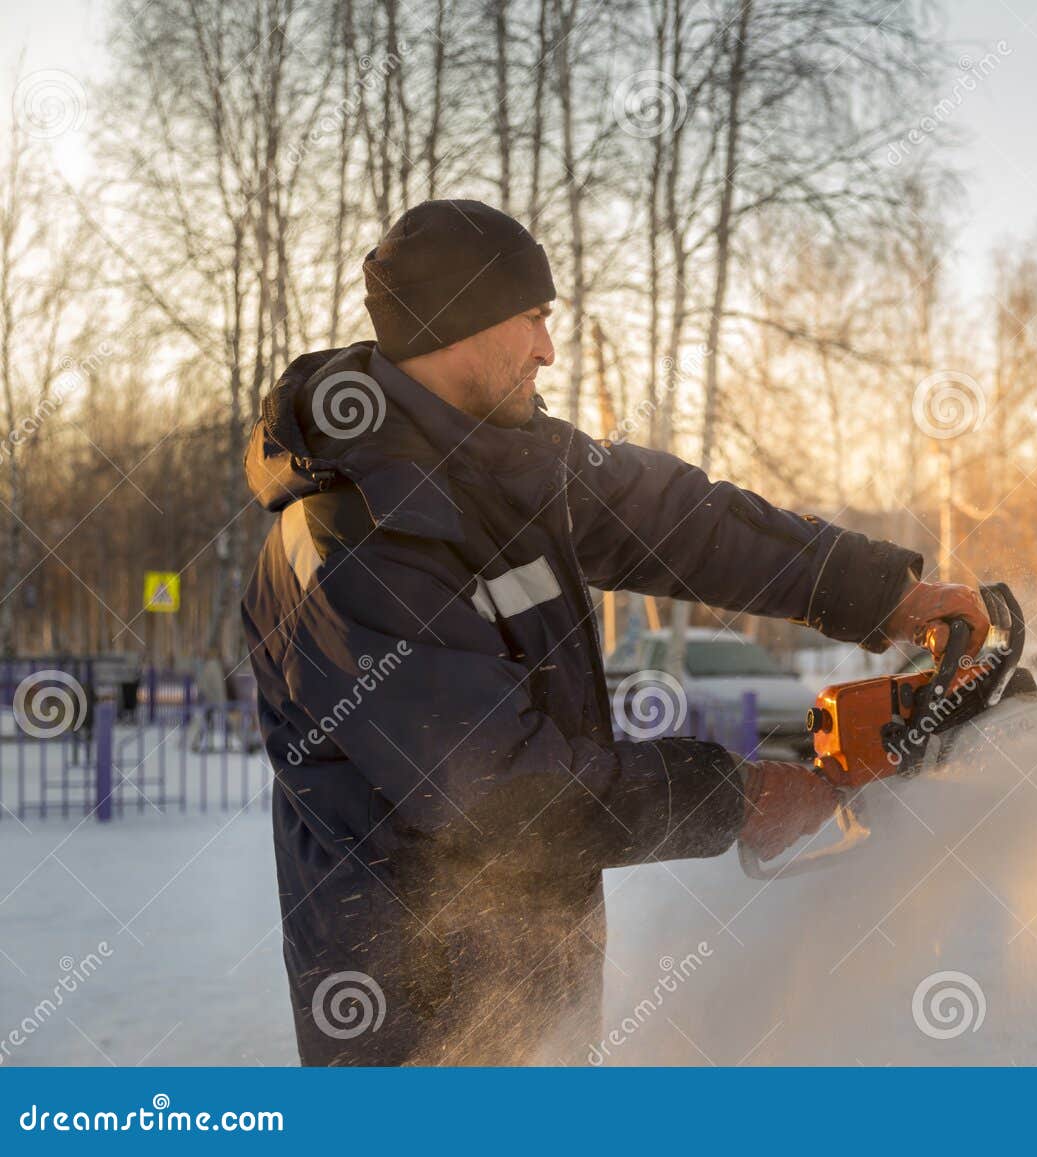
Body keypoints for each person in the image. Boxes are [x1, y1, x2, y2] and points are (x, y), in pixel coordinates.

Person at [240, 199, 991, 1065]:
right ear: (457, 327)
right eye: (531, 320)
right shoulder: (352, 539)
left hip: (531, 986)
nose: (547, 350)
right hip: (417, 1018)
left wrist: (881, 593)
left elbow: (684, 522)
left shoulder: (508, 461)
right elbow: (503, 794)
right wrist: (739, 797)